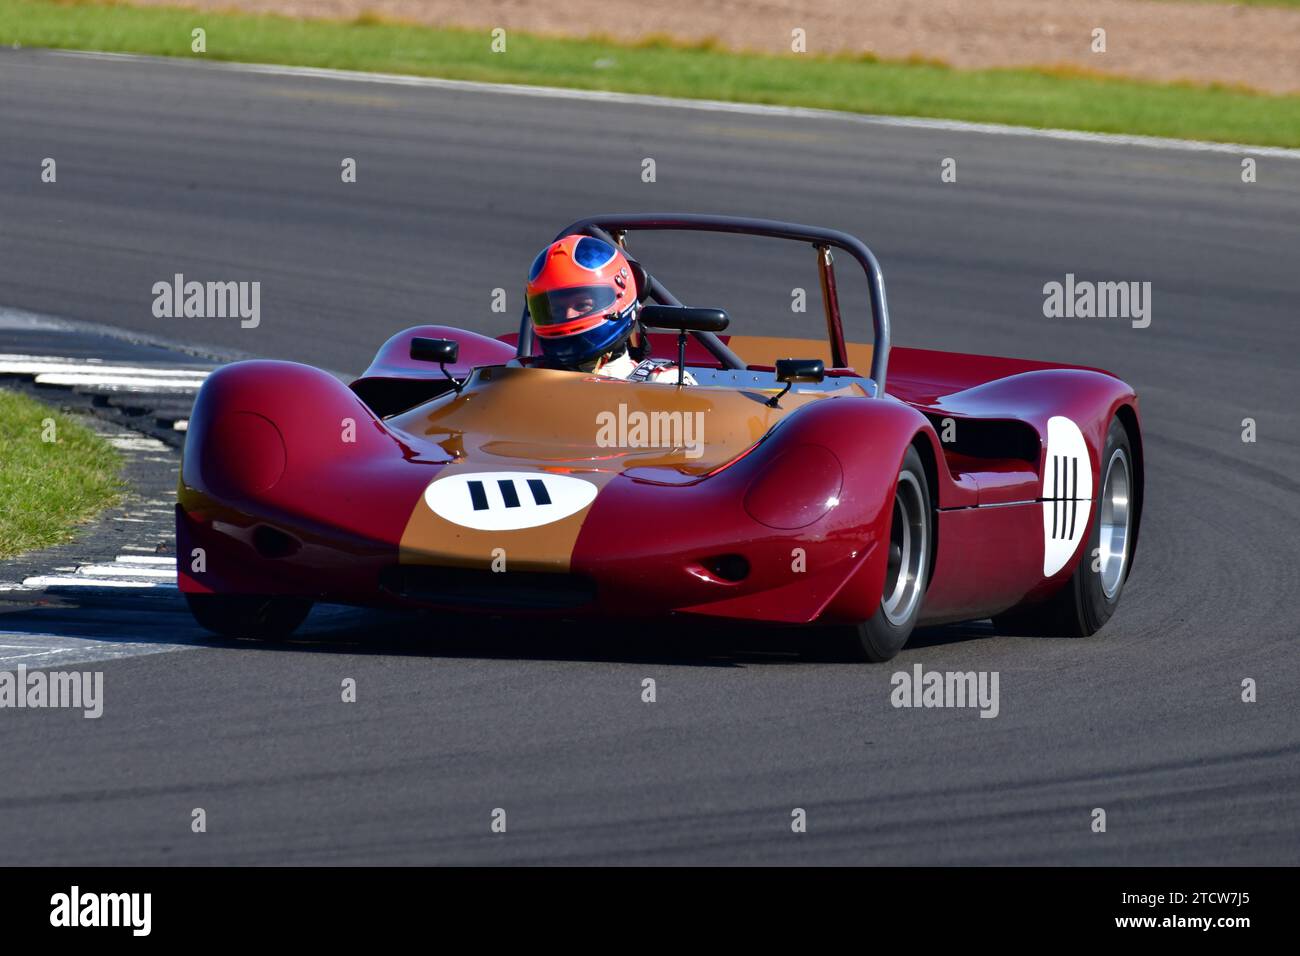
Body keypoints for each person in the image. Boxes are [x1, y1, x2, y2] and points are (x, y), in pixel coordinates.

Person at [525, 235, 695, 384]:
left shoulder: (664, 383)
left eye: (582, 305)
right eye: (556, 309)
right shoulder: (522, 377)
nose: (568, 316)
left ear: (621, 300)